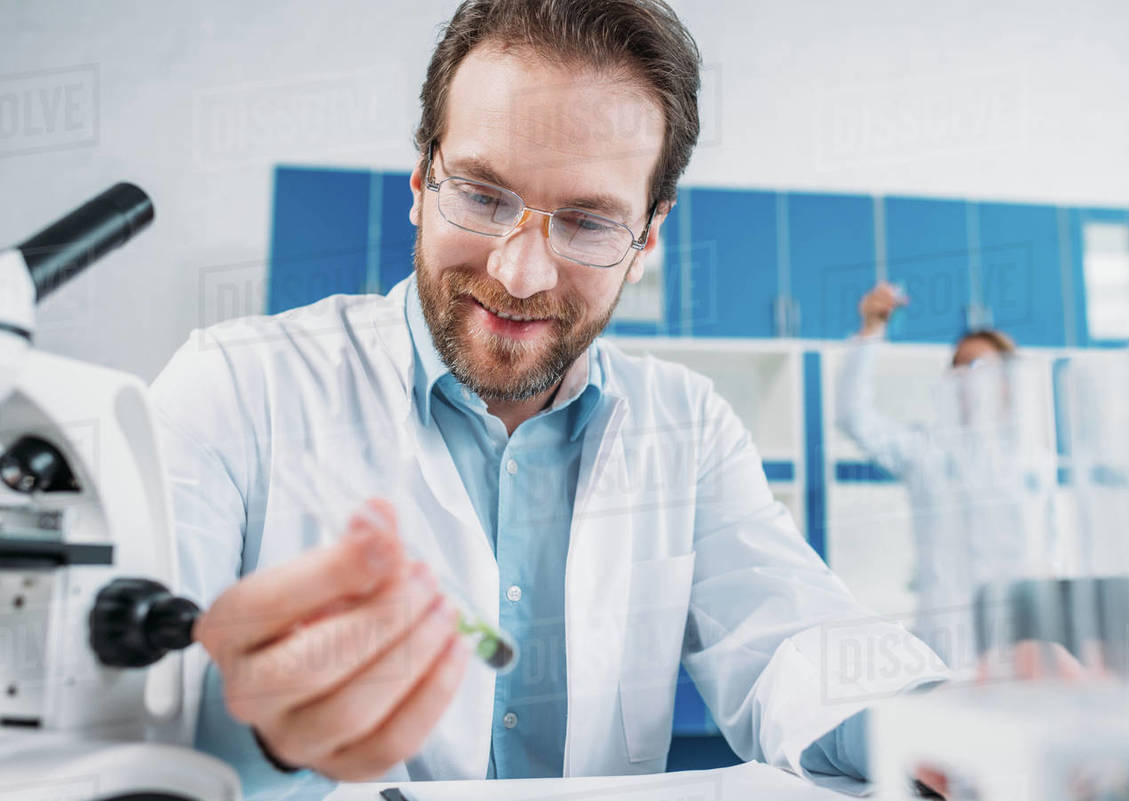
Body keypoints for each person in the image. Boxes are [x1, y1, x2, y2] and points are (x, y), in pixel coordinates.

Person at [151, 3, 946, 796]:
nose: (519, 274)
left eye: (589, 222)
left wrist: (937, 726)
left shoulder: (687, 424)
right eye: (482, 195)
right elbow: (129, 711)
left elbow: (787, 637)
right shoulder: (233, 385)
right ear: (422, 182)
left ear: (647, 241)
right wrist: (260, 740)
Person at [836, 282, 1060, 671]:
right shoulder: (928, 451)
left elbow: (1052, 553)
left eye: (977, 367)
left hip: (1021, 641)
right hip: (945, 643)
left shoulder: (1033, 460)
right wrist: (870, 331)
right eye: (956, 367)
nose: (963, 378)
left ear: (1009, 379)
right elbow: (854, 417)